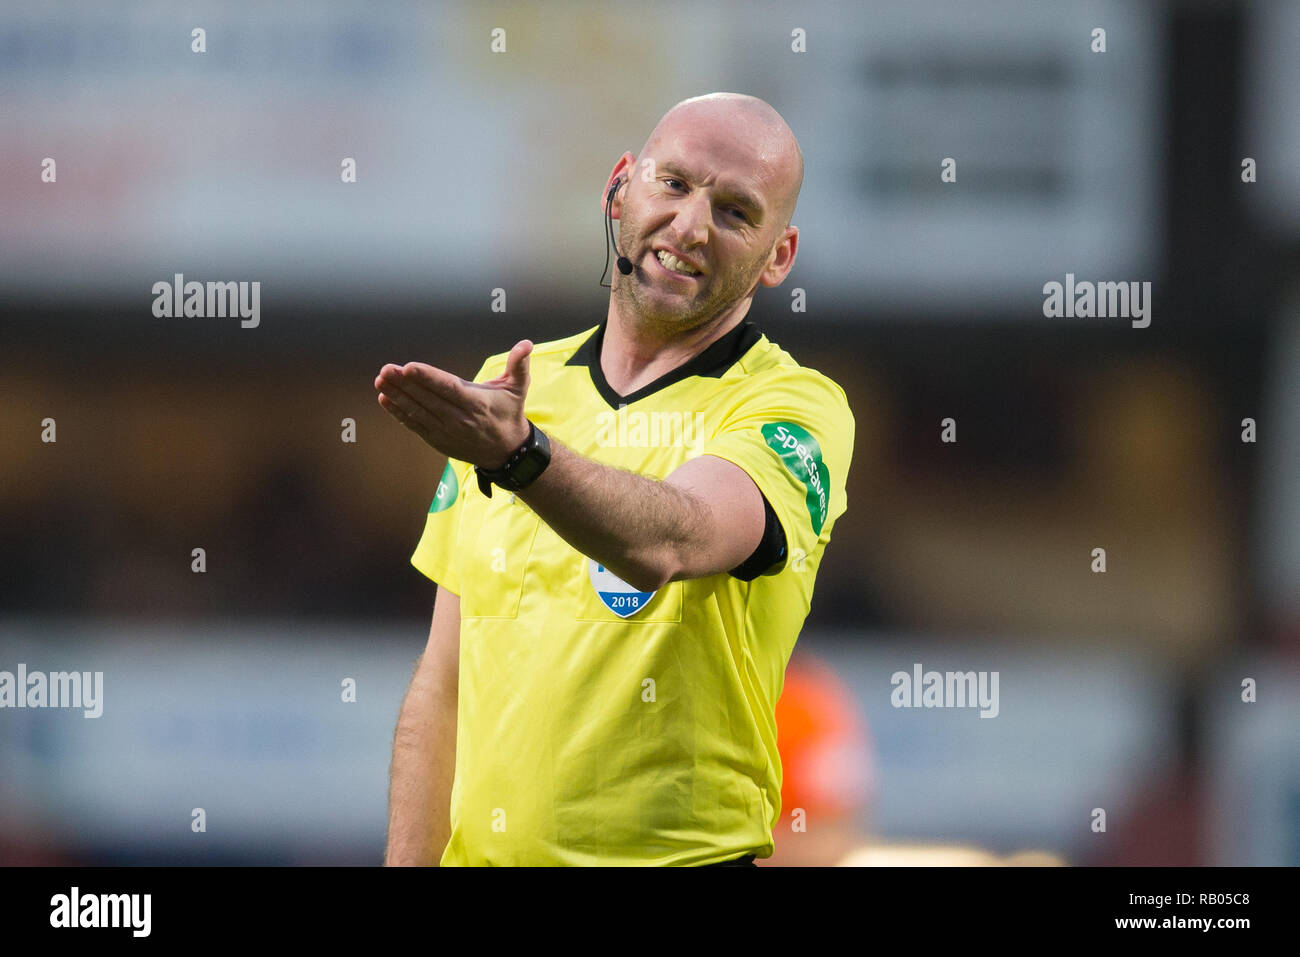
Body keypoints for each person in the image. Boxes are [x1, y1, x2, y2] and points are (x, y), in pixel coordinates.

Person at [376, 92, 855, 866]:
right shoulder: (510, 388)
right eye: (674, 184)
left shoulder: (795, 406)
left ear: (779, 256)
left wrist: (522, 458)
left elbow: (674, 536)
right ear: (619, 188)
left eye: (736, 212)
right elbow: (443, 682)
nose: (692, 225)